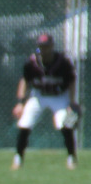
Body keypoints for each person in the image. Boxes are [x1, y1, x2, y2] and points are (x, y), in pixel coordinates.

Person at [13, 32, 78, 171]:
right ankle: (18, 159)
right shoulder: (32, 62)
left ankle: (71, 158)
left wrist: (72, 103)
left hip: (59, 96)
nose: (44, 49)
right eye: (41, 46)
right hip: (39, 96)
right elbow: (24, 80)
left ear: (52, 46)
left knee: (66, 124)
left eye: (47, 46)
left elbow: (72, 82)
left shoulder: (63, 62)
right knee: (24, 124)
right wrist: (20, 102)